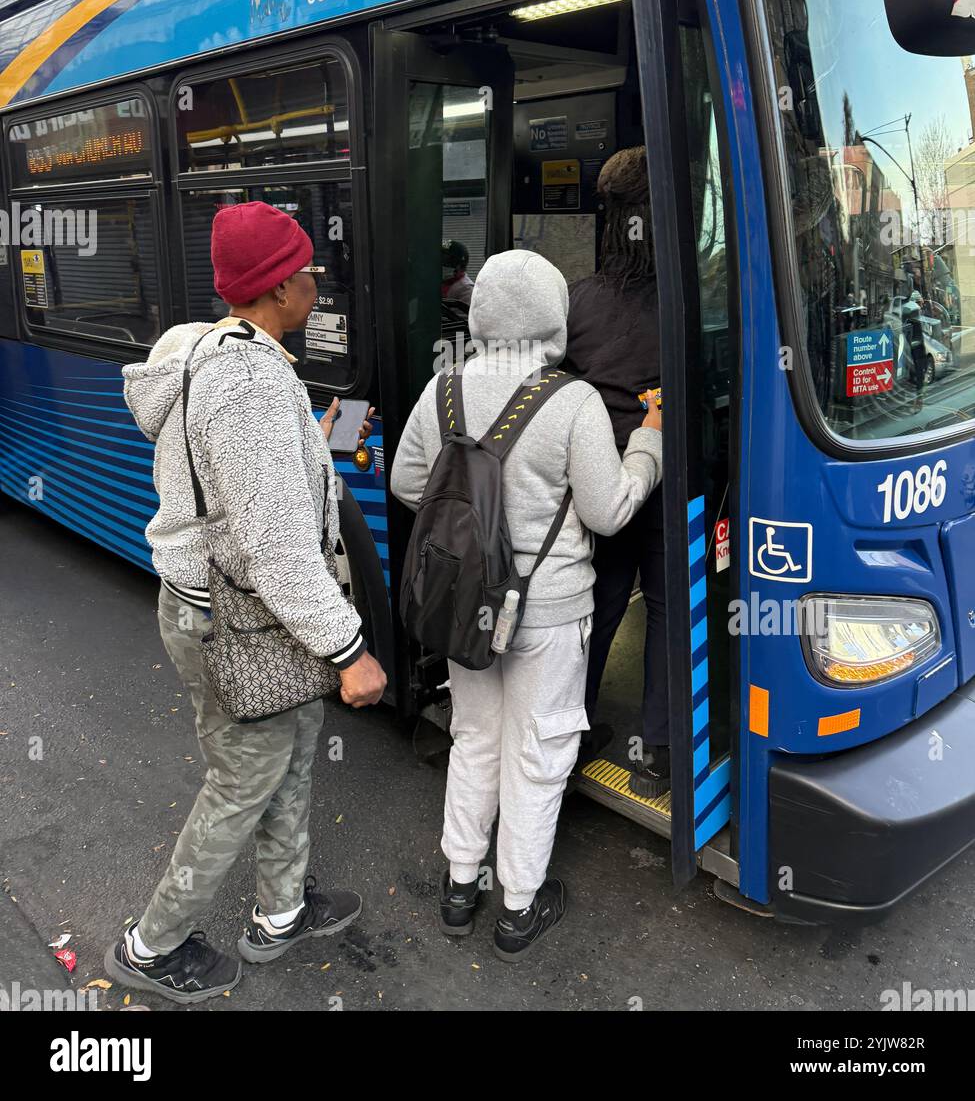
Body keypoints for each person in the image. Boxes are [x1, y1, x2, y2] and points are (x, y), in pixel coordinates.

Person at [106, 201, 387, 1004]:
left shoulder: (219, 354)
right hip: (230, 617)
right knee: (242, 781)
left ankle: (281, 912)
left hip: (241, 612)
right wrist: (349, 652)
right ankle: (150, 947)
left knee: (289, 757)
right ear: (281, 287)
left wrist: (315, 441)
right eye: (310, 272)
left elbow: (245, 484)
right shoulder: (250, 382)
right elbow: (276, 550)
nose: (318, 284)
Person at [390, 249, 661, 960]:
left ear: (481, 314)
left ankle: (460, 886)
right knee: (539, 753)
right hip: (548, 614)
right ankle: (517, 905)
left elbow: (407, 483)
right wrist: (648, 445)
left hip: (463, 608)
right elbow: (609, 512)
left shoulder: (443, 389)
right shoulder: (571, 402)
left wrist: (473, 534)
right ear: (552, 317)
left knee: (475, 738)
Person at [562, 146, 669, 799]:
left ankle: (570, 734)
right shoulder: (692, 298)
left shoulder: (577, 301)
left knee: (598, 606)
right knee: (665, 610)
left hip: (598, 484)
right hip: (669, 484)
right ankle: (656, 757)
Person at [441, 239, 474, 306]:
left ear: (460, 266)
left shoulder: (466, 289)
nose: (442, 265)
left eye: (446, 262)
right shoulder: (438, 282)